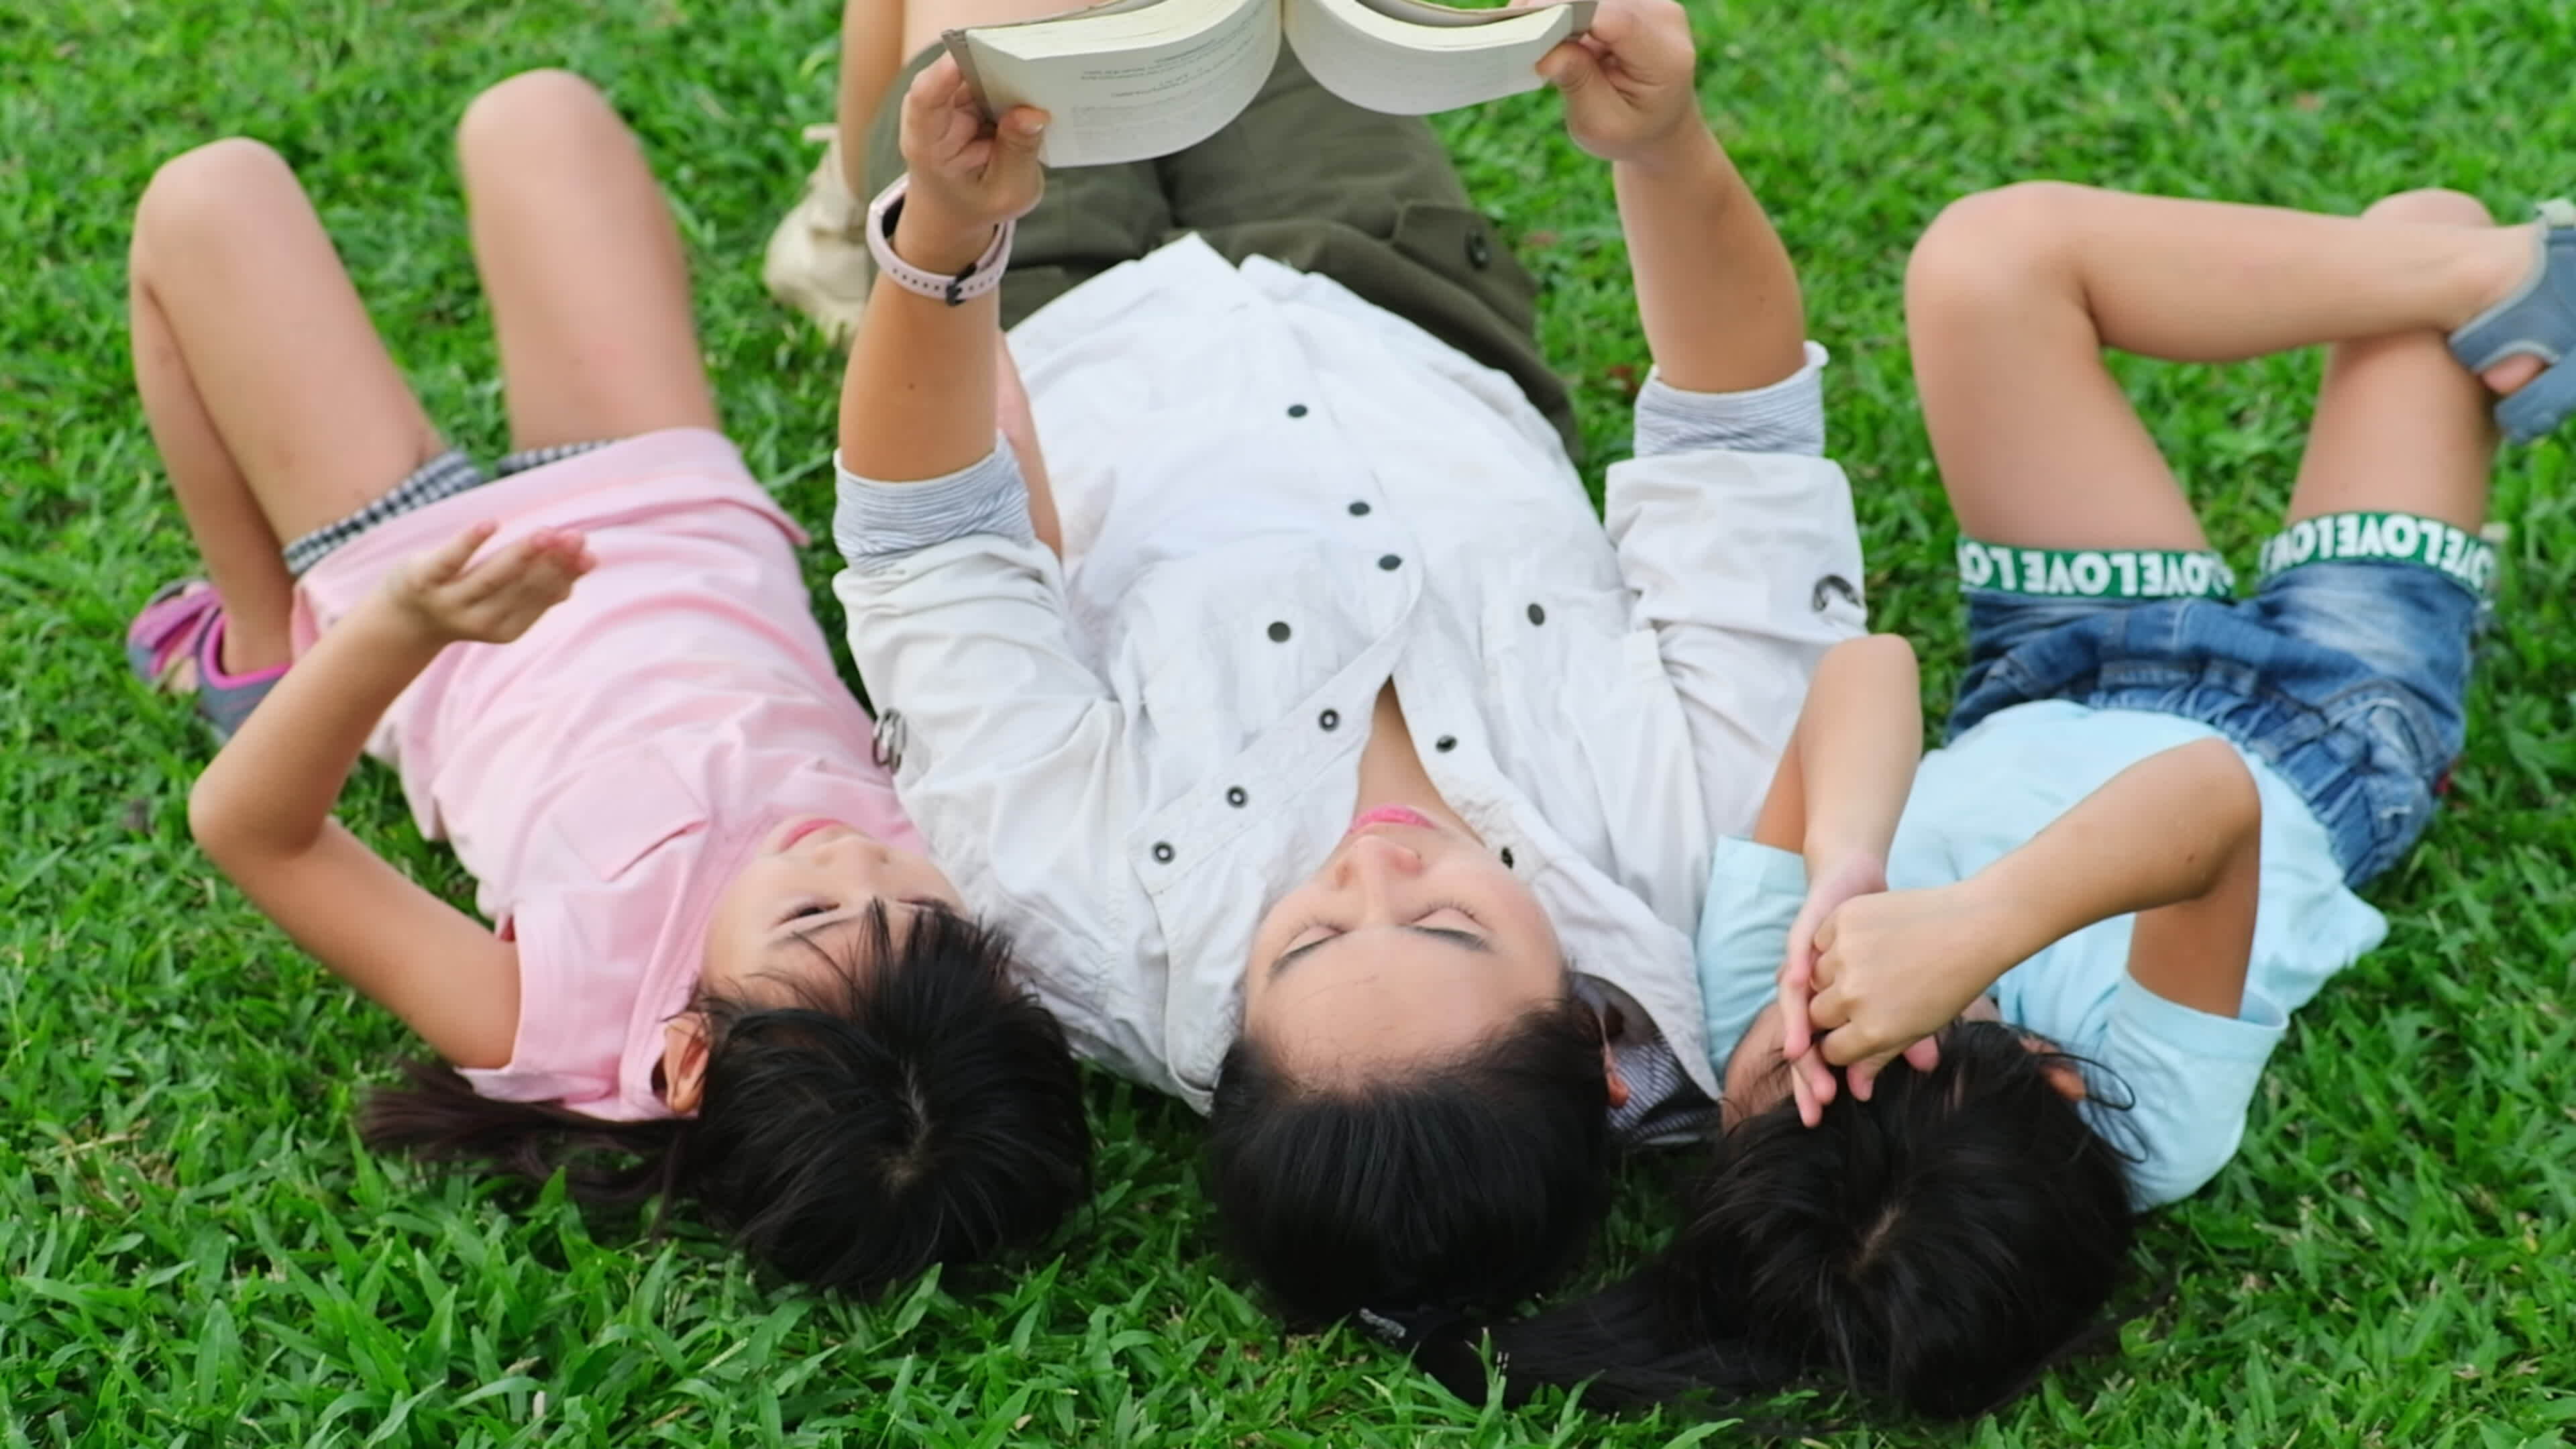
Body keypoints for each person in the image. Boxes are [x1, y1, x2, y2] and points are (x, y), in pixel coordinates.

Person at [1415, 178, 2565, 1416]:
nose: (1833, 1017)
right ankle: (2512, 280)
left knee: (1986, 260)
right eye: (1946, 1029)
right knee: (2422, 229)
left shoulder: (1762, 1004)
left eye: (1797, 1058)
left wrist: (1849, 867)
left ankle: (2524, 277)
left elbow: (1870, 670)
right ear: (2066, 1090)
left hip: (2064, 652)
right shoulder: (2157, 1125)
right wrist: (1980, 926)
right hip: (2328, 725)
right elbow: (2208, 801)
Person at [816, 0, 1868, 1324]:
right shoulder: (1708, 851)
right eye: (1447, 921)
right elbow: (1741, 442)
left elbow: (928, 543)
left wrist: (943, 250)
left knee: (984, 48)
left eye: (1303, 942)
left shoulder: (1092, 921)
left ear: (1241, 1041)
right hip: (1400, 299)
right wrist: (1666, 150)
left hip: (1047, 317)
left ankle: (860, 217)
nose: (1371, 866)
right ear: (1600, 1052)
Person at [121, 70, 1089, 1296]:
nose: (849, 857)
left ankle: (260, 653)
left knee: (205, 199)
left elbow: (254, 830)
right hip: (667, 498)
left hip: (428, 577)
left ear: (688, 1056)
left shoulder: (563, 1014)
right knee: (540, 115)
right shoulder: (975, 897)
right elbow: (1019, 640)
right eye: (918, 903)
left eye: (806, 915)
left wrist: (403, 625)